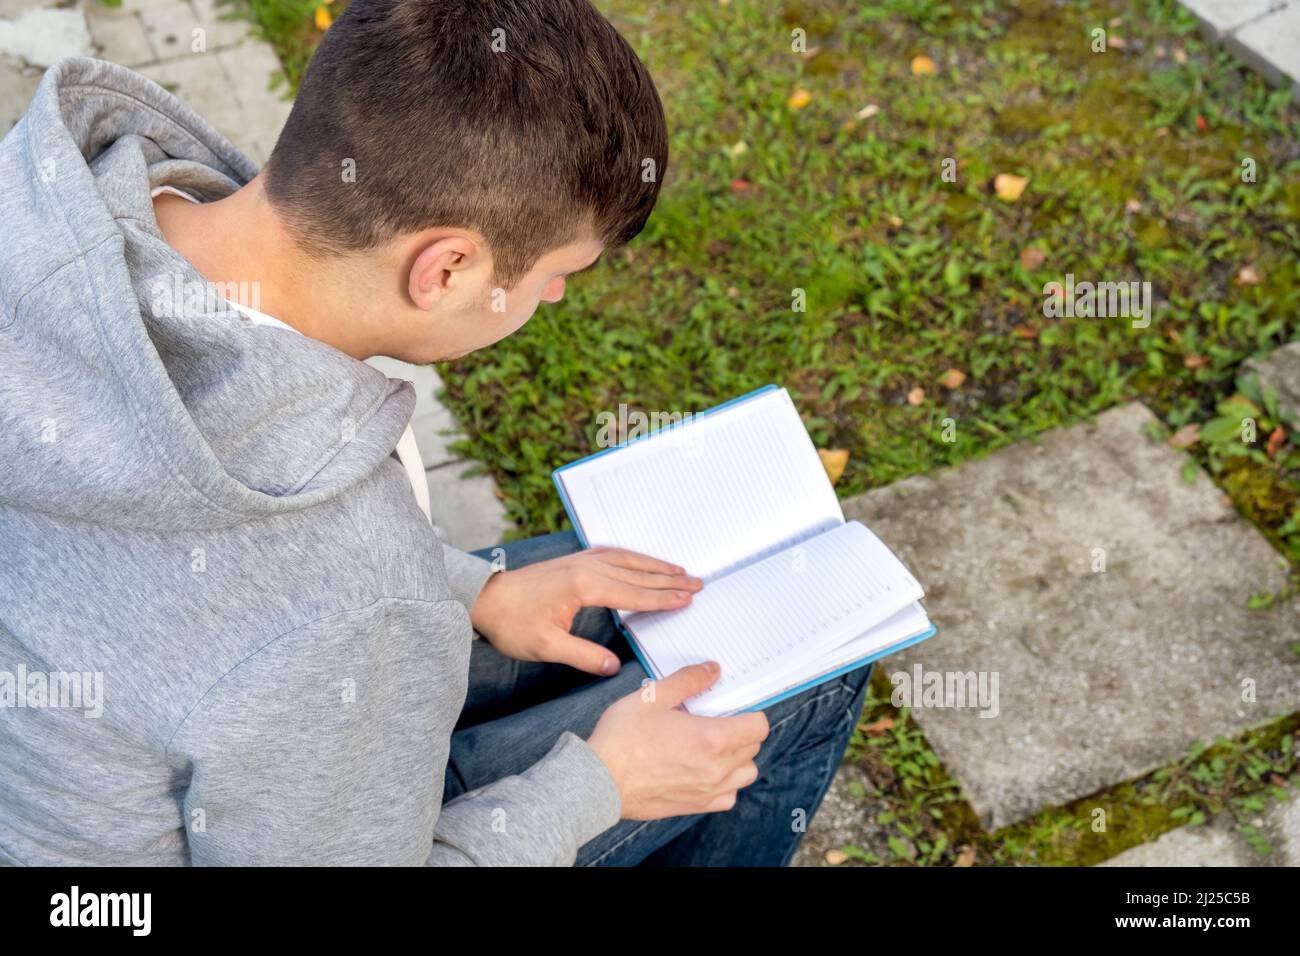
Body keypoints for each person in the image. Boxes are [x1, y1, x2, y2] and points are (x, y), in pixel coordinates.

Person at [0, 0, 872, 866]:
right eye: (558, 273)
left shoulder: (46, 204)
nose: (558, 298)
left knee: (654, 599)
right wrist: (600, 785)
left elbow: (222, 593)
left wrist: (473, 592)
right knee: (810, 675)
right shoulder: (354, 588)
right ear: (446, 268)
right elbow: (307, 607)